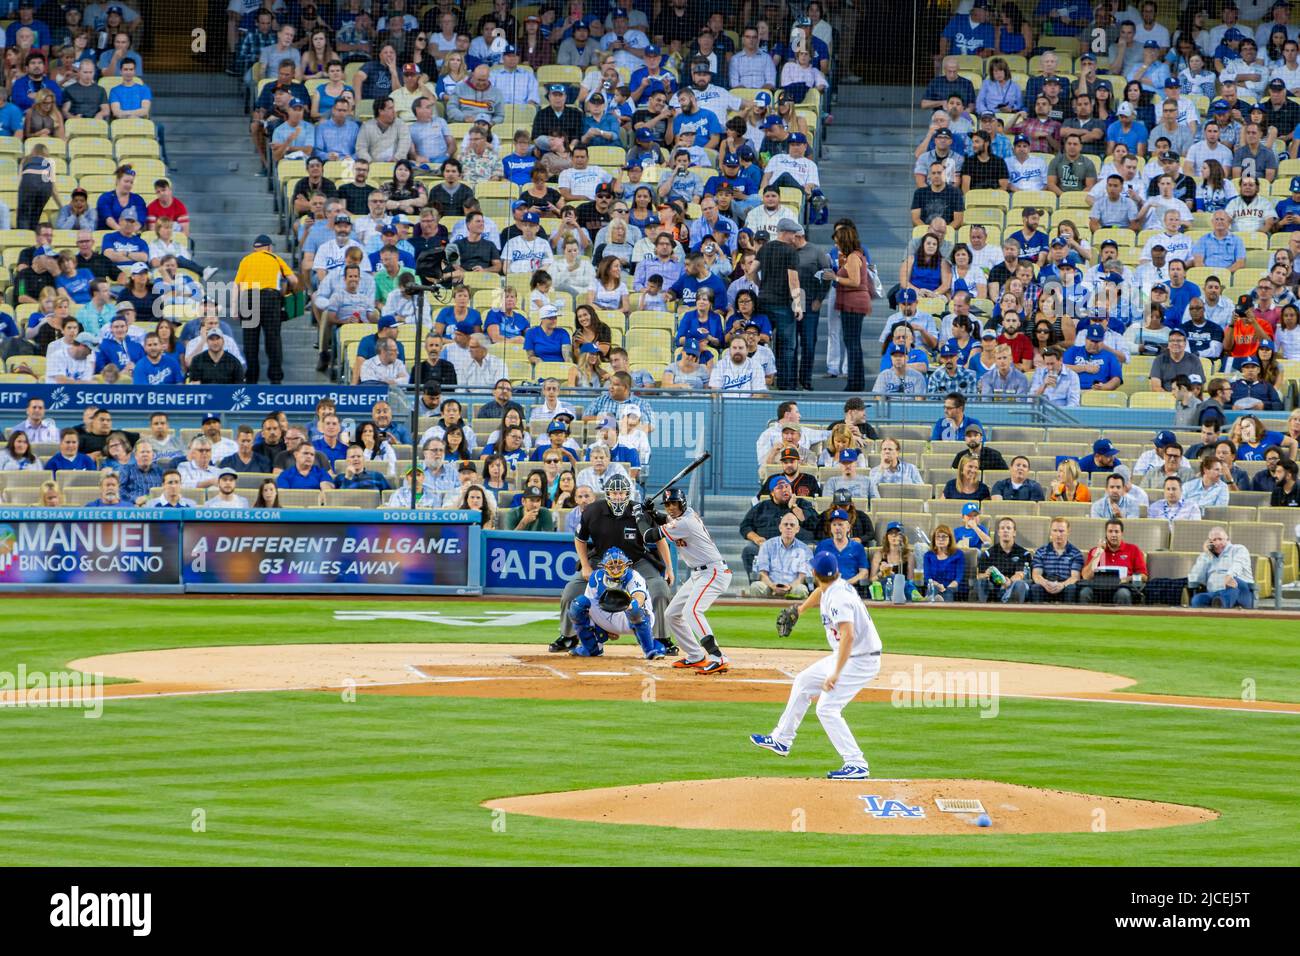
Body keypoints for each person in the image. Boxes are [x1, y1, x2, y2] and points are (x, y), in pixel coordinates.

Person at [749, 550, 882, 781]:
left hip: (859, 660)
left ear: (813, 573)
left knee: (827, 708)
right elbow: (820, 592)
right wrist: (800, 610)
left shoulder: (839, 597)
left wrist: (835, 674)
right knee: (803, 681)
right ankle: (782, 739)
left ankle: (856, 763)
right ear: (837, 572)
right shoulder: (833, 586)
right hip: (849, 655)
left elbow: (848, 635)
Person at [550, 473, 675, 654]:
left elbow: (660, 540)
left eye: (622, 493)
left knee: (660, 590)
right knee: (570, 591)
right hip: (601, 561)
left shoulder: (640, 512)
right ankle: (568, 636)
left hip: (636, 561)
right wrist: (585, 565)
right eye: (614, 493)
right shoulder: (592, 511)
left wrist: (669, 568)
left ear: (628, 494)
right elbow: (580, 539)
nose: (618, 497)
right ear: (607, 494)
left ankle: (662, 638)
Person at [638, 488, 730, 673]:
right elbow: (668, 519)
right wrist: (653, 513)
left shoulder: (686, 522)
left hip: (713, 572)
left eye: (674, 504)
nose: (671, 508)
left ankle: (717, 656)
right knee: (672, 614)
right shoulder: (684, 516)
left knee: (692, 611)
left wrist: (640, 516)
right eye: (668, 504)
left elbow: (649, 536)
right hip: (699, 573)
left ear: (683, 503)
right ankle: (695, 655)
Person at [234, 234, 298, 384]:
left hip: (249, 299)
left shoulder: (246, 260)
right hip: (270, 299)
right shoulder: (275, 258)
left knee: (250, 343)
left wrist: (235, 309)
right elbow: (294, 280)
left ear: (254, 248)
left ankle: (251, 380)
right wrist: (287, 293)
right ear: (269, 247)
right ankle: (275, 380)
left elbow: (236, 285)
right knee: (273, 341)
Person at [1079, 519, 1148, 605]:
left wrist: (1128, 579)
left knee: (1123, 594)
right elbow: (1086, 576)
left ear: (1122, 534)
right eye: (1110, 531)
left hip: (1122, 587)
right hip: (1098, 588)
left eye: (1116, 532)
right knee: (1085, 593)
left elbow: (1144, 577)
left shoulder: (1133, 549)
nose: (1113, 535)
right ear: (1106, 534)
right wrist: (1099, 552)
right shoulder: (1096, 551)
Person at [1188, 527, 1255, 608]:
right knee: (1197, 599)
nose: (1217, 543)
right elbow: (1196, 579)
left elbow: (1238, 565)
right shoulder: (1206, 556)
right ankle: (1218, 604)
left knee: (1233, 583)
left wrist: (1229, 576)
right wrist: (1206, 555)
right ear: (1209, 542)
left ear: (1227, 539)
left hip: (1239, 590)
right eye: (1214, 540)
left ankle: (1220, 605)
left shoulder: (1239, 549)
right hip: (1214, 592)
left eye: (1220, 539)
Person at [976, 517, 1032, 603]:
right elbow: (979, 576)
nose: (1005, 530)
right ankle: (983, 609)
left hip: (1013, 587)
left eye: (1008, 528)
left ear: (1014, 533)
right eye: (1002, 528)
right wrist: (986, 574)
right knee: (981, 582)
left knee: (1020, 584)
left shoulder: (1023, 553)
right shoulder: (988, 553)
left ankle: (1009, 601)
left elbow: (1020, 575)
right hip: (994, 589)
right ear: (998, 532)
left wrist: (1008, 582)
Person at [1030, 517, 1084, 603]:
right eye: (1055, 531)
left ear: (1068, 532)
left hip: (1065, 585)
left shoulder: (1076, 553)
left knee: (1071, 588)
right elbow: (1036, 575)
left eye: (1061, 531)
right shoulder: (1041, 551)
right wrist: (1045, 583)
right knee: (1036, 587)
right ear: (1050, 532)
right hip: (1046, 584)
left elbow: (1075, 577)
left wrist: (1062, 585)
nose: (1058, 534)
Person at [923, 524, 965, 602]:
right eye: (938, 537)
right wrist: (938, 585)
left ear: (950, 539)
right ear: (934, 539)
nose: (940, 539)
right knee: (933, 591)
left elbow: (959, 577)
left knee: (948, 593)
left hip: (952, 586)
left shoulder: (958, 554)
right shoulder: (928, 555)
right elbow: (927, 577)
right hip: (935, 586)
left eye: (944, 536)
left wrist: (946, 588)